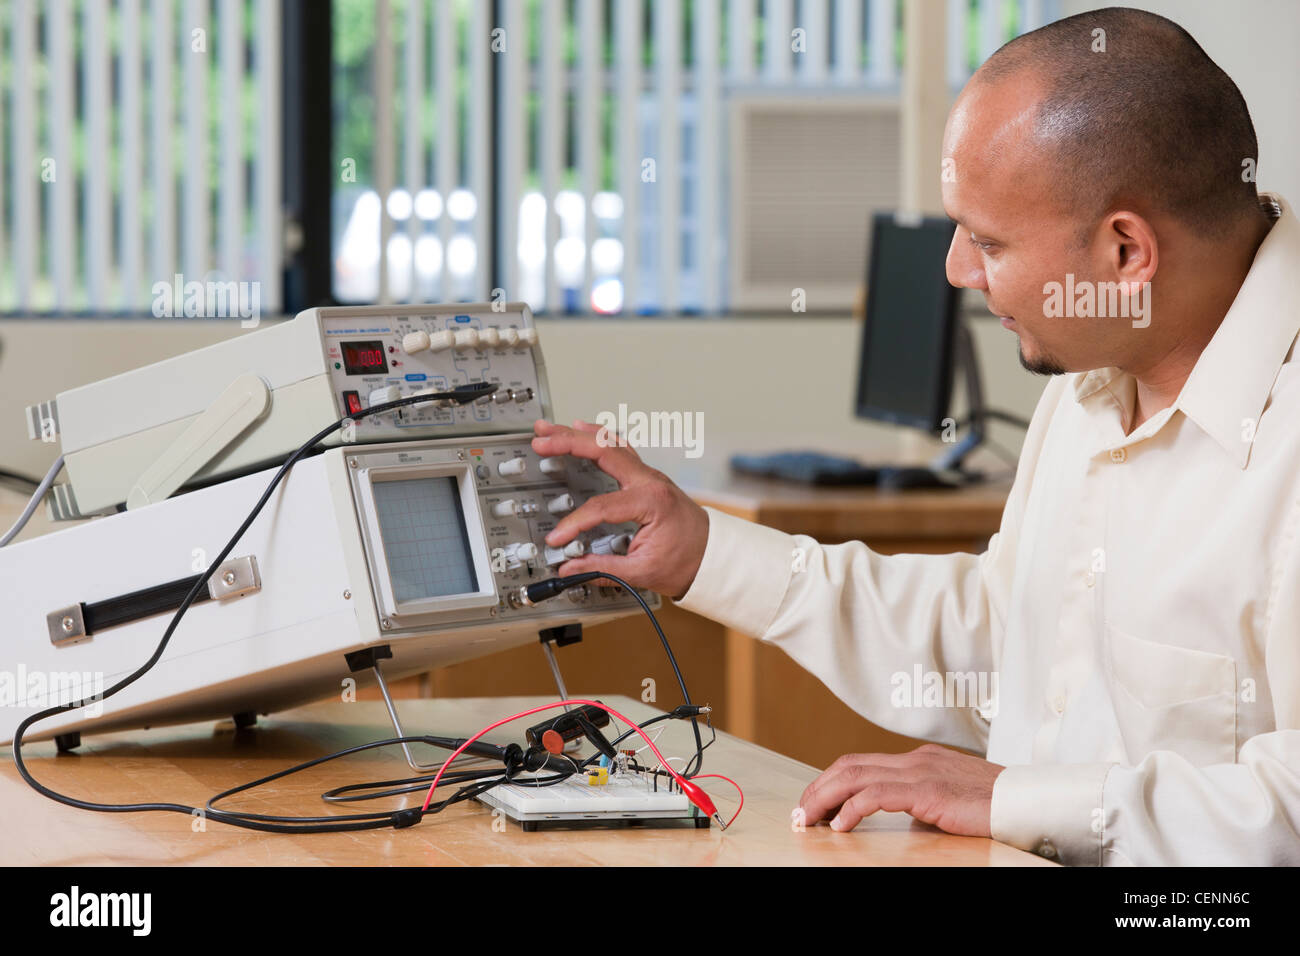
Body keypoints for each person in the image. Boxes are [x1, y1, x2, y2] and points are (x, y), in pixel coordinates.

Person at [531, 7, 1300, 865]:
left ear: (1126, 252)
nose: (956, 271)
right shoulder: (1098, 376)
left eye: (987, 240)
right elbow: (1009, 641)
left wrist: (1012, 796)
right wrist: (702, 553)